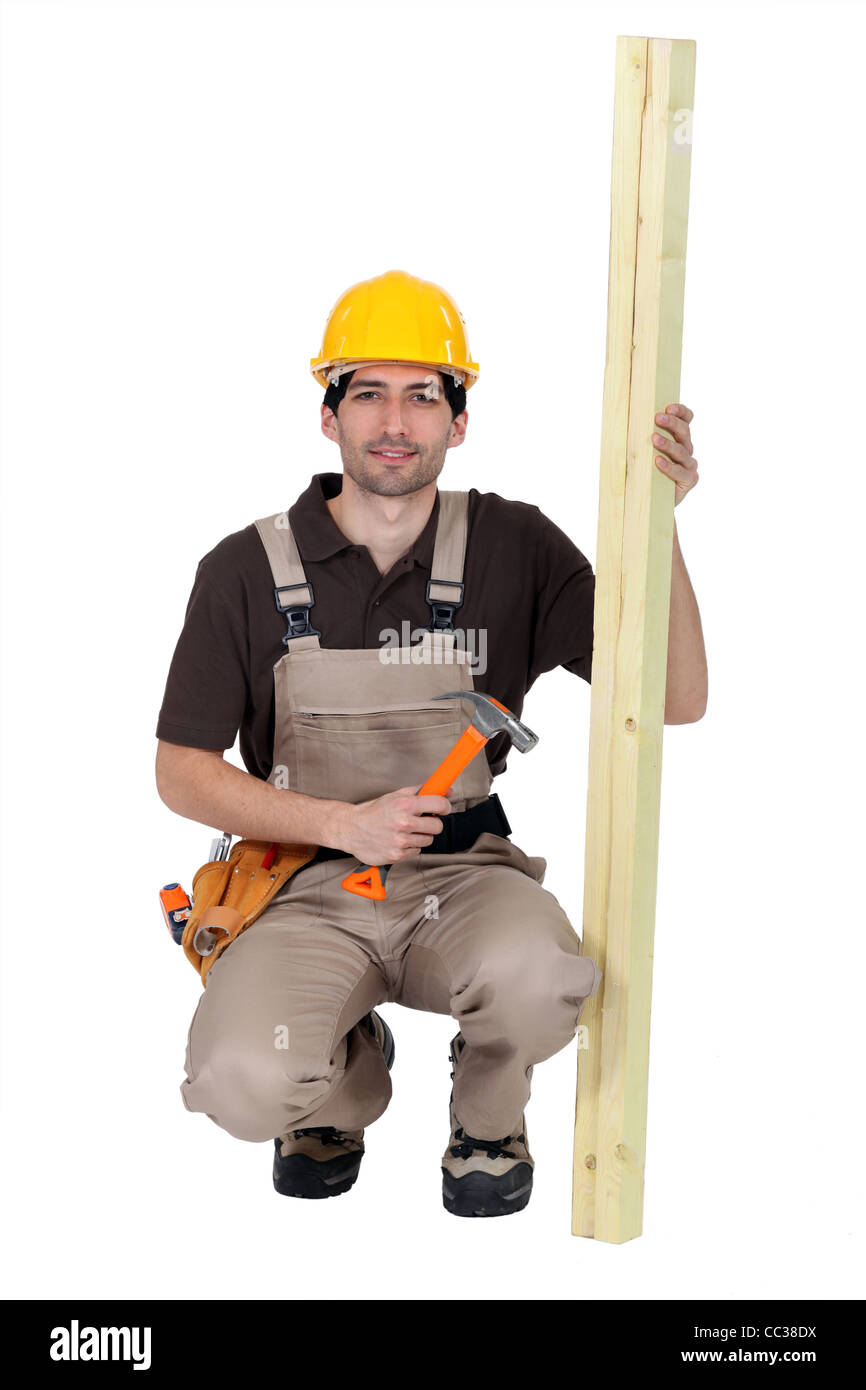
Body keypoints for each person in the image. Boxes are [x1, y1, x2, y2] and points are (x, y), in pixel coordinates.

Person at [155, 269, 707, 1218]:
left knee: (542, 979)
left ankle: (489, 1115)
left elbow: (675, 698)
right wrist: (342, 822)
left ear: (460, 418)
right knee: (240, 1080)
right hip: (306, 887)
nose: (395, 421)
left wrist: (660, 522)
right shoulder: (244, 570)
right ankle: (344, 1075)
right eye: (368, 392)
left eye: (423, 394)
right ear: (329, 416)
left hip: (467, 879)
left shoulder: (514, 547)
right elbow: (181, 773)